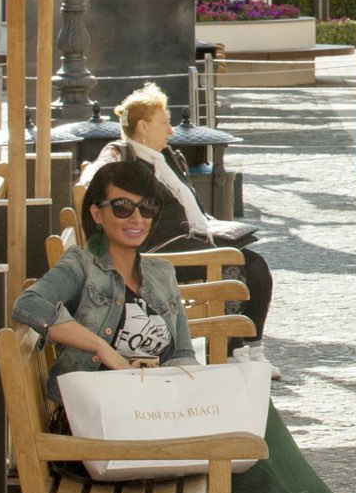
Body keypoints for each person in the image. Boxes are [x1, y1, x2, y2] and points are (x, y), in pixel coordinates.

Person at [14, 158, 356, 493]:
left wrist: (199, 396)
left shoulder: (160, 274)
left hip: (150, 413)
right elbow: (29, 305)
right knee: (241, 430)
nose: (137, 218)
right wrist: (101, 348)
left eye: (147, 208)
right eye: (123, 207)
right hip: (100, 428)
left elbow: (181, 352)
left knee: (247, 406)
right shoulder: (81, 266)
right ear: (97, 212)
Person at [80, 84, 275, 374]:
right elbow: (96, 175)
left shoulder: (166, 157)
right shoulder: (125, 159)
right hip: (158, 252)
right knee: (243, 264)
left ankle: (249, 350)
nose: (170, 130)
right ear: (143, 127)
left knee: (256, 264)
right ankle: (234, 352)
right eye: (164, 123)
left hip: (187, 237)